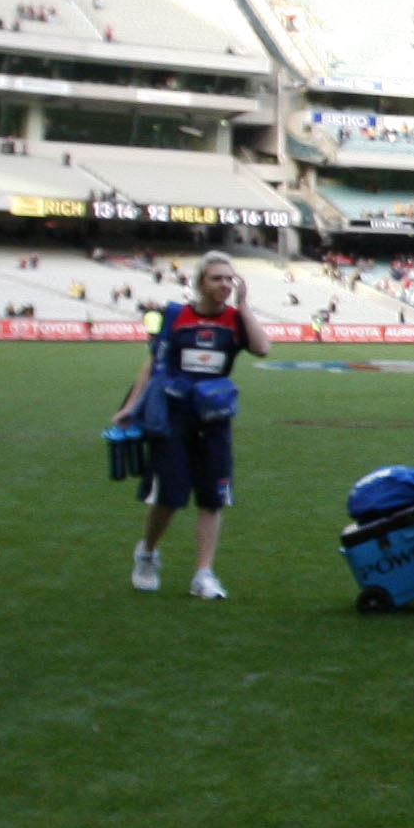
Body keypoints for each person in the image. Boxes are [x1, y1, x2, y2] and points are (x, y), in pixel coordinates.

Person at [120, 253, 269, 599]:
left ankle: (204, 573)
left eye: (230, 279)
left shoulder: (235, 319)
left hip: (215, 419)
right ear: (200, 282)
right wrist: (130, 407)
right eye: (217, 278)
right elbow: (152, 365)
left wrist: (244, 306)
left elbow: (262, 348)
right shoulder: (176, 316)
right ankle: (147, 553)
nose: (225, 285)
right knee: (169, 495)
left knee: (213, 497)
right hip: (173, 417)